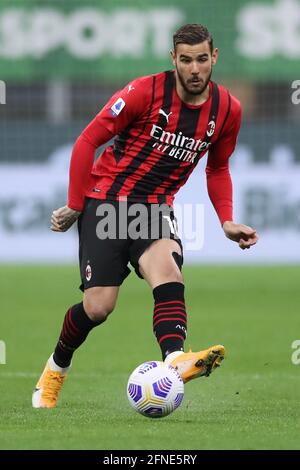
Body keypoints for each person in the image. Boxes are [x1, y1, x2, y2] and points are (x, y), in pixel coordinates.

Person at [32, 24, 258, 408]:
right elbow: (88, 140)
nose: (194, 69)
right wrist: (74, 202)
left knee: (168, 270)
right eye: (185, 60)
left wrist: (226, 221)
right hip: (106, 203)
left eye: (202, 59)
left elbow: (217, 170)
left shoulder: (227, 110)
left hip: (154, 207)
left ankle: (175, 359)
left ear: (214, 58)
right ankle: (56, 368)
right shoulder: (143, 92)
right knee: (98, 307)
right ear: (174, 60)